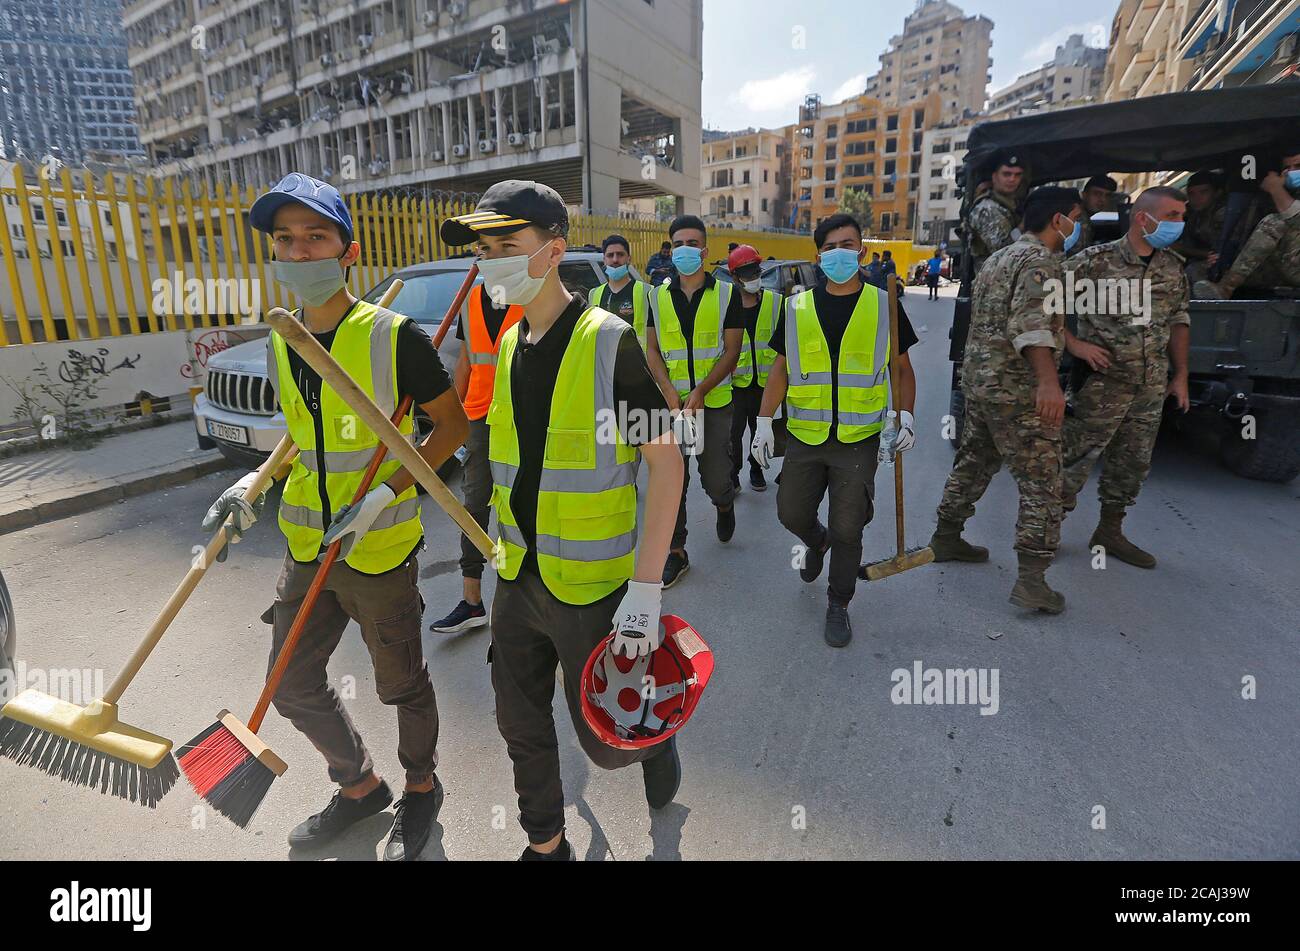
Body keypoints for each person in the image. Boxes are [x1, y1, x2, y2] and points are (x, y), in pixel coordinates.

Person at [203, 172, 468, 860]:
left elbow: (452, 425)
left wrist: (384, 494)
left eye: (315, 236)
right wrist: (252, 484)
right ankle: (359, 785)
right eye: (285, 240)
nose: (299, 252)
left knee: (401, 682)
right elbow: (299, 438)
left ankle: (420, 786)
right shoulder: (282, 340)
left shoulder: (395, 337)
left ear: (347, 251)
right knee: (289, 683)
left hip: (378, 549)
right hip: (307, 545)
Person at [439, 181, 685, 861]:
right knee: (519, 723)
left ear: (552, 250)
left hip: (596, 590)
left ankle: (656, 739)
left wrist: (646, 591)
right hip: (518, 579)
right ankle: (546, 844)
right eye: (484, 249)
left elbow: (666, 466)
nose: (490, 262)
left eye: (505, 246)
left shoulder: (612, 344)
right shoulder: (511, 338)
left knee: (606, 746)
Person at [750, 213, 919, 647]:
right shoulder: (796, 307)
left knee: (850, 528)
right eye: (831, 246)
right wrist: (765, 423)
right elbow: (781, 370)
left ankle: (839, 602)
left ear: (861, 251)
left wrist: (906, 414)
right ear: (818, 254)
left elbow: (901, 370)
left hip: (857, 442)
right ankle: (815, 540)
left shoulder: (885, 305)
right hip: (805, 439)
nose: (840, 252)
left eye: (849, 244)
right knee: (791, 513)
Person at [930, 187, 1084, 613]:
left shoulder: (1000, 257)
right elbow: (1031, 325)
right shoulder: (1042, 262)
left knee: (974, 462)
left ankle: (946, 536)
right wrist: (1048, 383)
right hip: (1017, 392)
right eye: (1076, 217)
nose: (1078, 227)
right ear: (1059, 220)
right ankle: (1033, 580)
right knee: (1042, 482)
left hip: (981, 384)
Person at [1060, 186, 1192, 568]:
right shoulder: (1094, 262)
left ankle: (1110, 532)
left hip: (1149, 387)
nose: (1178, 225)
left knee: (1132, 464)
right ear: (1142, 217)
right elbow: (1040, 301)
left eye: (1182, 217)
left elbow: (1179, 321)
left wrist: (1180, 374)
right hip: (1100, 385)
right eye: (1172, 217)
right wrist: (1075, 345)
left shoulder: (1172, 267)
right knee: (1074, 460)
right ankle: (1044, 533)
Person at [644, 215, 744, 588]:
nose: (686, 250)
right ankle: (676, 552)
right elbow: (652, 350)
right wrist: (670, 393)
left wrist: (700, 391)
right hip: (671, 407)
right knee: (672, 480)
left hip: (713, 403)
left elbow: (732, 351)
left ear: (704, 250)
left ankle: (723, 503)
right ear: (671, 250)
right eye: (678, 243)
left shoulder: (726, 294)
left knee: (716, 477)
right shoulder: (657, 295)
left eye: (693, 243)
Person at [429, 263, 525, 635]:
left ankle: (525, 599)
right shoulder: (471, 298)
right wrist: (455, 414)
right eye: (483, 247)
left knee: (520, 505)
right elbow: (468, 357)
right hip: (480, 417)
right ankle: (471, 601)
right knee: (474, 507)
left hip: (523, 418)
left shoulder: (530, 294)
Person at [1195, 148, 1300, 299]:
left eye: (1298, 166)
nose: (1291, 172)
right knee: (1202, 271)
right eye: (1287, 168)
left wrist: (1275, 188)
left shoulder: (1281, 194)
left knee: (1274, 222)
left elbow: (1295, 220)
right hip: (1288, 267)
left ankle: (1226, 287)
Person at [725, 244, 781, 492]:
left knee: (761, 431)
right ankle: (733, 472)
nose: (754, 278)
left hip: (766, 385)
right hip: (736, 385)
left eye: (756, 271)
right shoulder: (726, 305)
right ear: (735, 277)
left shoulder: (776, 303)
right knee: (733, 435)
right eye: (747, 273)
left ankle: (756, 468)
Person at [966, 151, 1025, 273]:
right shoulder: (986, 208)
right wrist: (1025, 225)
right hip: (993, 284)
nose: (1012, 179)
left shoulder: (1012, 204)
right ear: (994, 177)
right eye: (1006, 174)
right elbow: (1005, 251)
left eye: (1017, 175)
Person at [588, 233, 651, 346]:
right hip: (606, 360)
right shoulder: (594, 294)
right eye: (610, 255)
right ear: (604, 260)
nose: (615, 259)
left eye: (620, 254)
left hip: (638, 360)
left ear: (629, 259)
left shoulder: (647, 292)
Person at [1176, 170, 1227, 283]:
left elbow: (1217, 253)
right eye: (1192, 194)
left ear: (1217, 193)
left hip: (1223, 261)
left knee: (1192, 271)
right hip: (1203, 258)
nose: (1197, 198)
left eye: (1204, 192)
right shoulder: (1190, 212)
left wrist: (1182, 249)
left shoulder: (1223, 213)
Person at [1074, 174, 1117, 254]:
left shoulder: (1085, 218)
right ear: (1084, 194)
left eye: (1107, 195)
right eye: (1097, 193)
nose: (1102, 199)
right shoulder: (1078, 220)